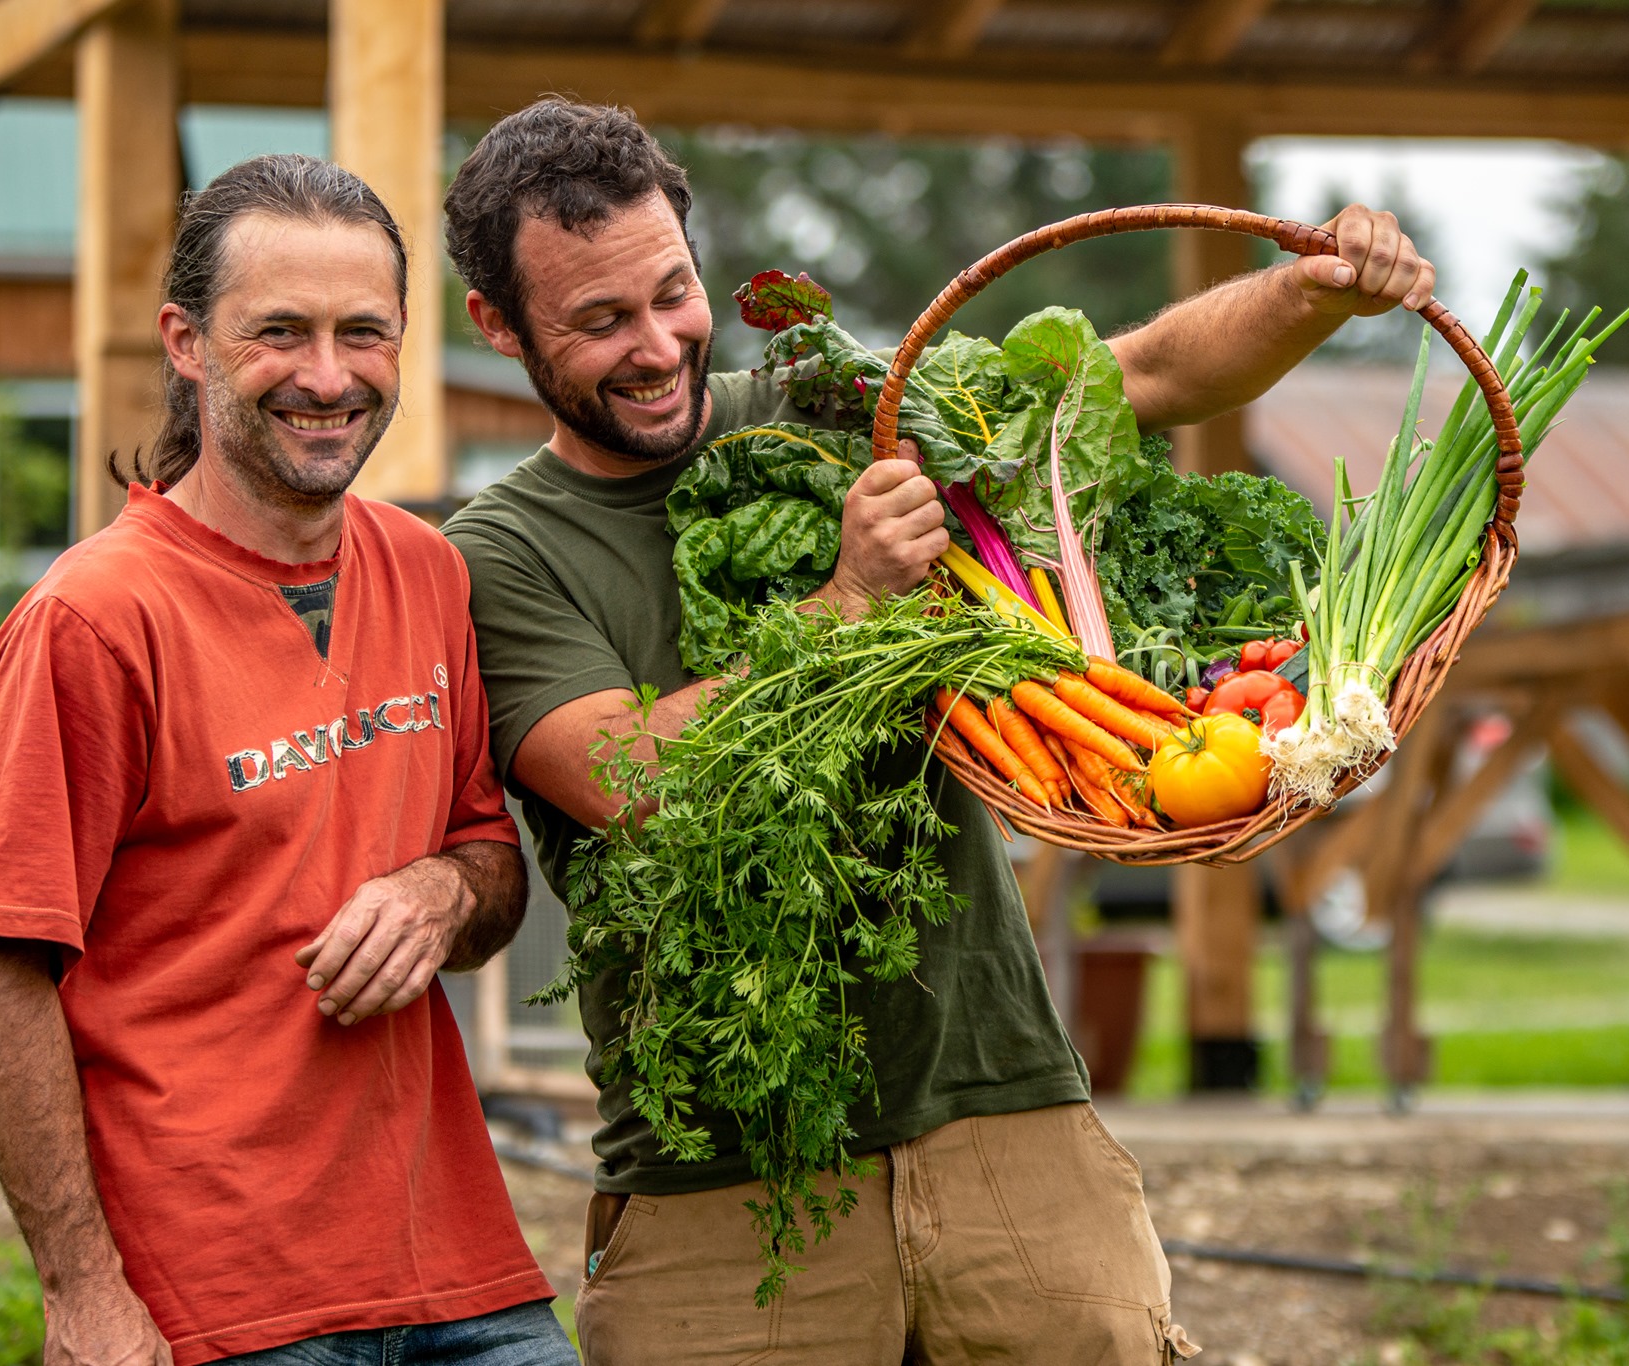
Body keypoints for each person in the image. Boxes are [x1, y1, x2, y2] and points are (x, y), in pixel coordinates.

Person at [441, 99, 1433, 1365]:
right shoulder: (499, 553)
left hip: (1001, 1102)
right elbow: (633, 777)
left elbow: (1142, 376)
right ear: (497, 324)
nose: (655, 346)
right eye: (597, 321)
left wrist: (1316, 293)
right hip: (722, 1166)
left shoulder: (832, 400)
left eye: (670, 294)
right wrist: (847, 601)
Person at [0, 155, 576, 1366]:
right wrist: (82, 1290)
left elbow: (488, 865)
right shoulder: (91, 621)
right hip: (212, 1301)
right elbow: (2, 975)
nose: (328, 376)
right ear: (186, 342)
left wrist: (438, 891)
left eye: (363, 333)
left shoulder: (429, 571)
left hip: (457, 1271)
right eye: (278, 333)